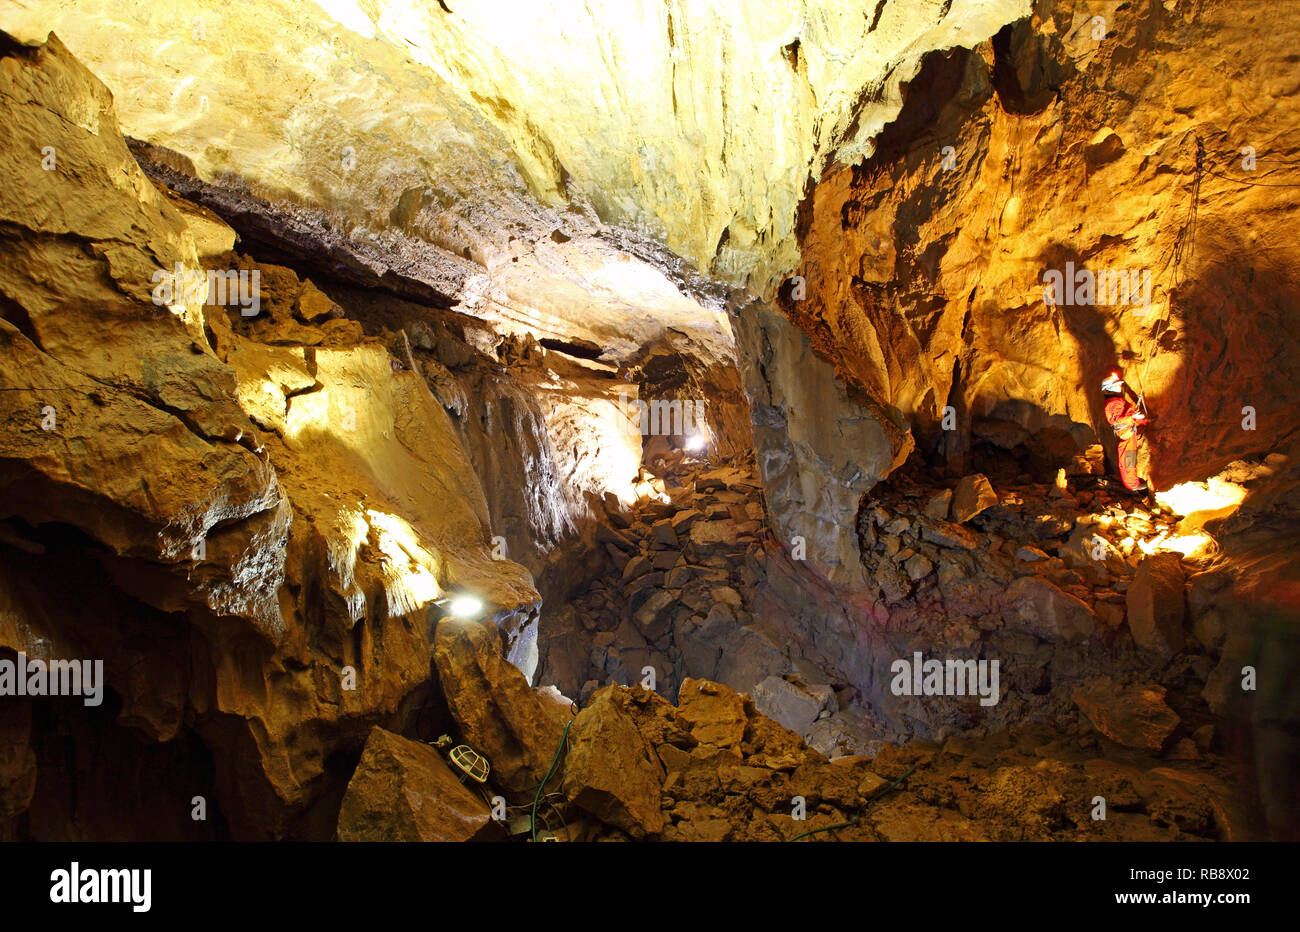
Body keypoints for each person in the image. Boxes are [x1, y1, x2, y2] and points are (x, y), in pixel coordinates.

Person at [1101, 372, 1149, 492]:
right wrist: (1133, 417)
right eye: (1116, 385)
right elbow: (1118, 420)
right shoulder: (1113, 403)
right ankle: (1132, 485)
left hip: (1128, 432)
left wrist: (1136, 417)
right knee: (1128, 459)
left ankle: (1133, 481)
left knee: (1130, 458)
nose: (1119, 387)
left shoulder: (1116, 401)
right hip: (1125, 433)